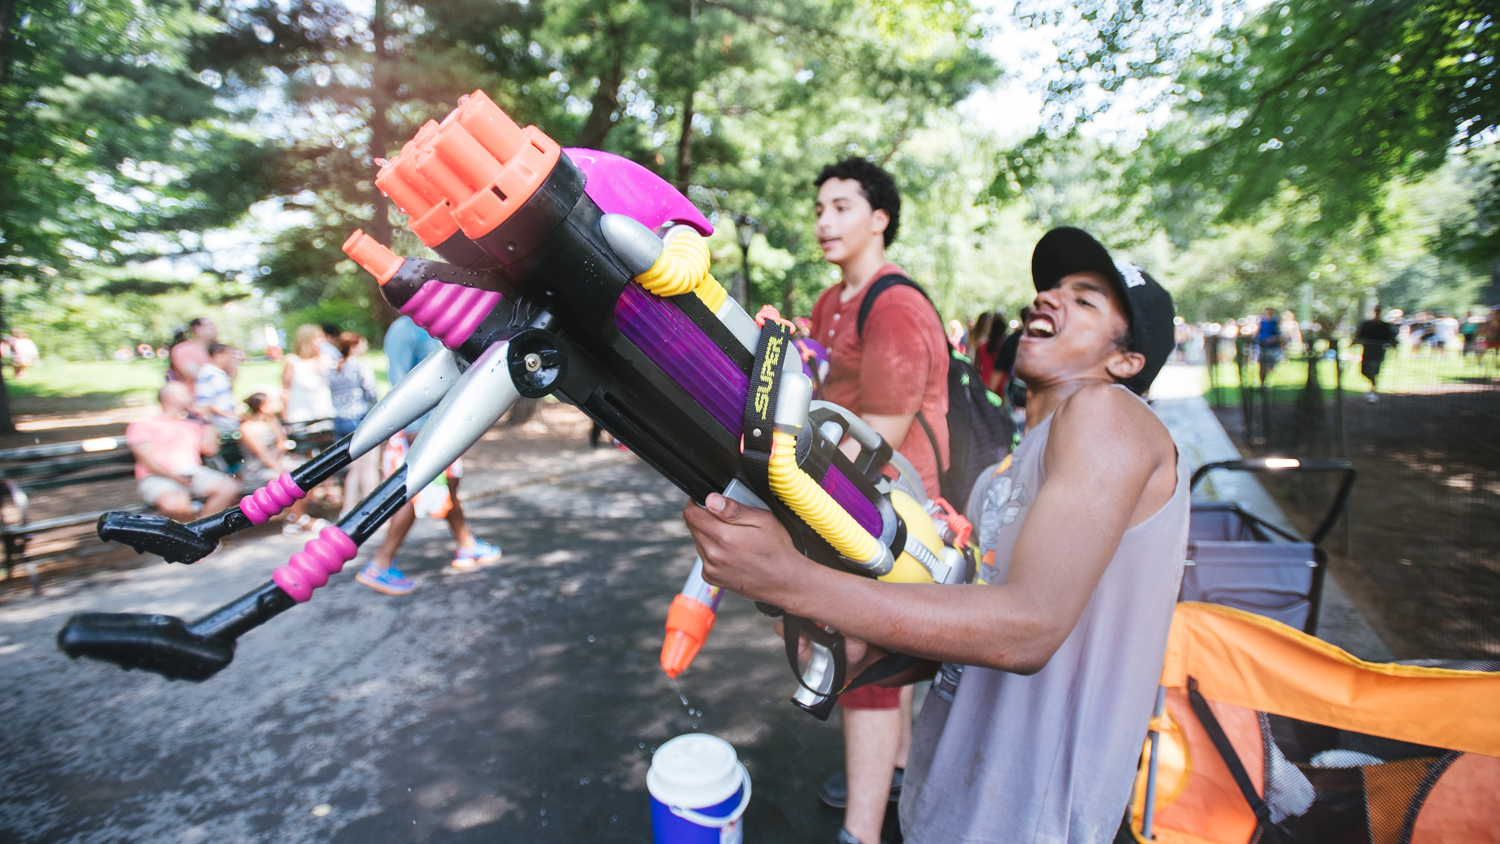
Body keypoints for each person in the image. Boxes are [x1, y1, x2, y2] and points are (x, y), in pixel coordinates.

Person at [685, 227, 1184, 844]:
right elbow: (964, 650)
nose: (1046, 299)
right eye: (1051, 288)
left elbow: (1029, 627)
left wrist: (797, 582)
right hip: (947, 801)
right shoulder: (1001, 475)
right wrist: (860, 649)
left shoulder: (1109, 412)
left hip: (1027, 823)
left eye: (1084, 299)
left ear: (1125, 362)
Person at [805, 157, 949, 844]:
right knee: (879, 663)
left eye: (842, 207)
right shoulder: (833, 302)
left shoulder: (895, 305)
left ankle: (861, 834)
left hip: (891, 513)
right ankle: (902, 772)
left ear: (880, 218)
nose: (825, 221)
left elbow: (878, 441)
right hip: (846, 503)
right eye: (820, 209)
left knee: (860, 660)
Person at [354, 316, 503, 595]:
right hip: (420, 432)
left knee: (449, 488)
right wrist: (415, 432)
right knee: (411, 496)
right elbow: (401, 383)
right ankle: (379, 564)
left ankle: (466, 545)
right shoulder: (404, 329)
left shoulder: (436, 327)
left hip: (442, 426)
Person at [126, 382, 240, 522]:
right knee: (175, 504)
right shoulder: (143, 424)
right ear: (170, 398)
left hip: (194, 473)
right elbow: (146, 460)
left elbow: (210, 449)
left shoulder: (192, 424)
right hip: (157, 477)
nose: (190, 397)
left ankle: (200, 533)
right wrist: (174, 477)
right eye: (185, 394)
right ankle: (194, 537)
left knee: (228, 487)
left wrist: (206, 420)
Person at [239, 393, 325, 536]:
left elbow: (281, 442)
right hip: (257, 468)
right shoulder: (246, 428)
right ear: (263, 407)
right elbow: (262, 454)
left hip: (279, 461)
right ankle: (300, 519)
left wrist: (279, 455)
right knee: (285, 481)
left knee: (307, 473)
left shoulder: (271, 421)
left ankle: (293, 519)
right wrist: (279, 466)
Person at [327, 332, 381, 515]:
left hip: (341, 421)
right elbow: (371, 391)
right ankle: (371, 508)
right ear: (353, 346)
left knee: (354, 469)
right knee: (369, 467)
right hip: (360, 419)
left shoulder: (334, 368)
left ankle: (347, 508)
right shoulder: (360, 366)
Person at [281, 325, 335, 423]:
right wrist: (285, 414)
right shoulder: (293, 361)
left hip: (324, 414)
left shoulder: (325, 359)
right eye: (318, 338)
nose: (322, 341)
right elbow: (285, 390)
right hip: (301, 416)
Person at [194, 343, 240, 436]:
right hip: (222, 424)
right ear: (218, 355)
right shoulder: (207, 375)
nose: (232, 358)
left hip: (229, 420)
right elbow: (206, 404)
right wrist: (232, 416)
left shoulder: (220, 374)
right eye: (229, 355)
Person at [1354, 305, 1398, 402]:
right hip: (1367, 351)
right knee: (1364, 370)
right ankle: (1372, 385)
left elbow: (1390, 338)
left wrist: (1394, 345)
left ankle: (1372, 389)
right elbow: (1359, 336)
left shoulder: (1385, 325)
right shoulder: (1366, 324)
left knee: (1374, 369)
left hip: (1378, 352)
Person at [168, 317, 216, 383]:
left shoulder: (216, 349)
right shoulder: (183, 349)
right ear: (197, 329)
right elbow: (195, 375)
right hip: (193, 393)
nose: (214, 328)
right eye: (210, 325)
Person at [1255, 306, 1283, 384]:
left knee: (1271, 364)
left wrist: (1274, 339)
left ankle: (1268, 379)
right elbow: (1258, 332)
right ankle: (1262, 382)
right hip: (1263, 345)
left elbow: (1279, 334)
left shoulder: (1275, 321)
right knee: (1262, 364)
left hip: (1273, 346)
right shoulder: (1261, 321)